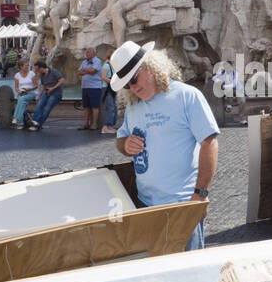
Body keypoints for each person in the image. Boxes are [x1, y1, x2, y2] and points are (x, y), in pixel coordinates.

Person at [113, 40, 219, 251]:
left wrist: (200, 195)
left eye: (134, 79)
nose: (133, 87)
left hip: (182, 205)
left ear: (150, 66)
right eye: (127, 85)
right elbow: (120, 140)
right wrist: (125, 144)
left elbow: (210, 143)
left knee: (188, 268)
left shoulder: (186, 95)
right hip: (145, 205)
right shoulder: (134, 106)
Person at [27, 59, 65, 129]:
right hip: (47, 92)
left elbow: (62, 80)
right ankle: (35, 122)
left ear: (41, 68)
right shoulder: (42, 75)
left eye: (37, 69)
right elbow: (43, 86)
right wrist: (38, 95)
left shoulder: (53, 71)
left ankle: (38, 124)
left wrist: (53, 88)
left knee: (47, 109)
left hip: (56, 93)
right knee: (39, 106)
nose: (37, 71)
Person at [77, 47, 104, 131]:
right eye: (86, 52)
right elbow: (79, 72)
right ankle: (86, 124)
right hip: (85, 87)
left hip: (95, 87)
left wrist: (84, 70)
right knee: (86, 106)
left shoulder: (97, 61)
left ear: (94, 53)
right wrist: (88, 70)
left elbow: (93, 71)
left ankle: (94, 124)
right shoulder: (84, 61)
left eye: (88, 52)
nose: (87, 53)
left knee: (94, 106)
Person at [12, 58, 39, 129]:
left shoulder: (31, 73)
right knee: (22, 101)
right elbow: (16, 88)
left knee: (21, 99)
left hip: (31, 93)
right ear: (21, 67)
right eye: (26, 65)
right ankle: (21, 122)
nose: (27, 67)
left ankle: (17, 120)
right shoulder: (17, 75)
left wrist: (29, 89)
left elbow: (36, 86)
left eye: (28, 65)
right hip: (21, 93)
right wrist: (19, 92)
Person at [100, 55, 118, 135]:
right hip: (106, 89)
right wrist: (113, 82)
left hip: (111, 89)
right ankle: (105, 127)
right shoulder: (106, 66)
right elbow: (103, 77)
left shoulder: (111, 66)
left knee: (112, 107)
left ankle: (110, 126)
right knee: (110, 107)